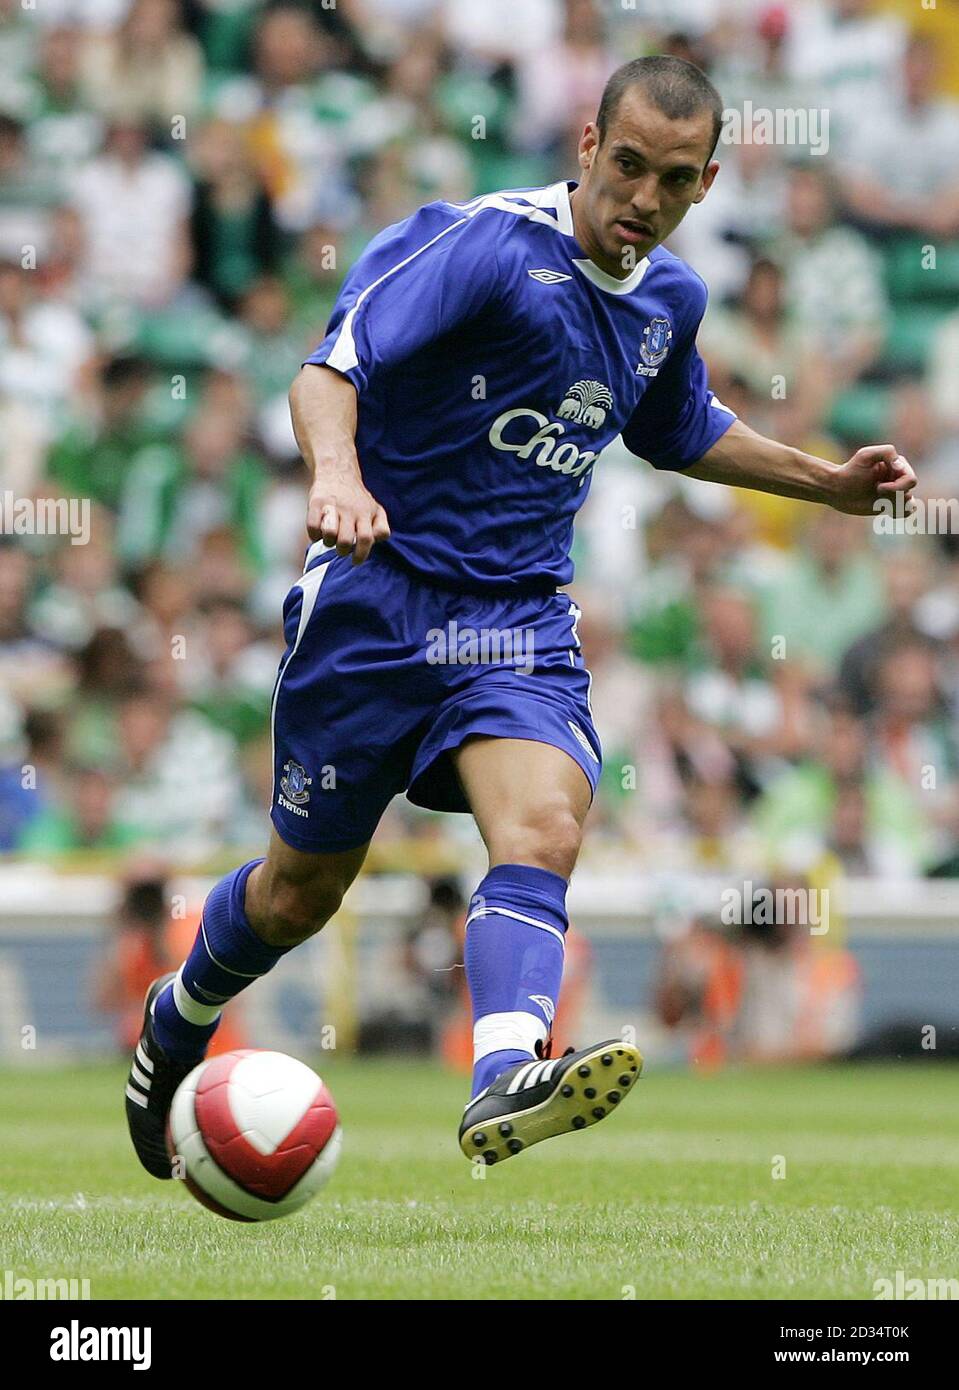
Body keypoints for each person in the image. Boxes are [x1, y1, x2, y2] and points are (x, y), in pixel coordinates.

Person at [125, 55, 916, 1178]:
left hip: (516, 622)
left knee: (543, 828)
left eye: (673, 179)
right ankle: (181, 1010)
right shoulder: (483, 245)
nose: (642, 198)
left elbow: (679, 427)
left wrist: (822, 482)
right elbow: (325, 372)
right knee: (299, 893)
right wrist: (337, 476)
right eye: (628, 164)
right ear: (587, 145)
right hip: (374, 602)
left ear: (705, 186)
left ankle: (502, 1069)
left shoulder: (667, 300)